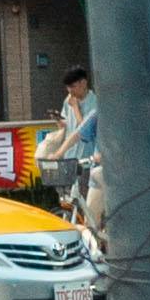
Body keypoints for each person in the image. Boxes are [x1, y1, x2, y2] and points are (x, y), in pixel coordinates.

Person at [38, 69, 103, 235]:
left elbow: (84, 127)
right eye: (68, 88)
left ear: (83, 83)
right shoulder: (69, 100)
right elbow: (70, 130)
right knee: (79, 205)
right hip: (71, 158)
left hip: (88, 158)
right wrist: (59, 121)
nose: (70, 91)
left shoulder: (95, 103)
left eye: (73, 86)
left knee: (87, 204)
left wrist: (75, 108)